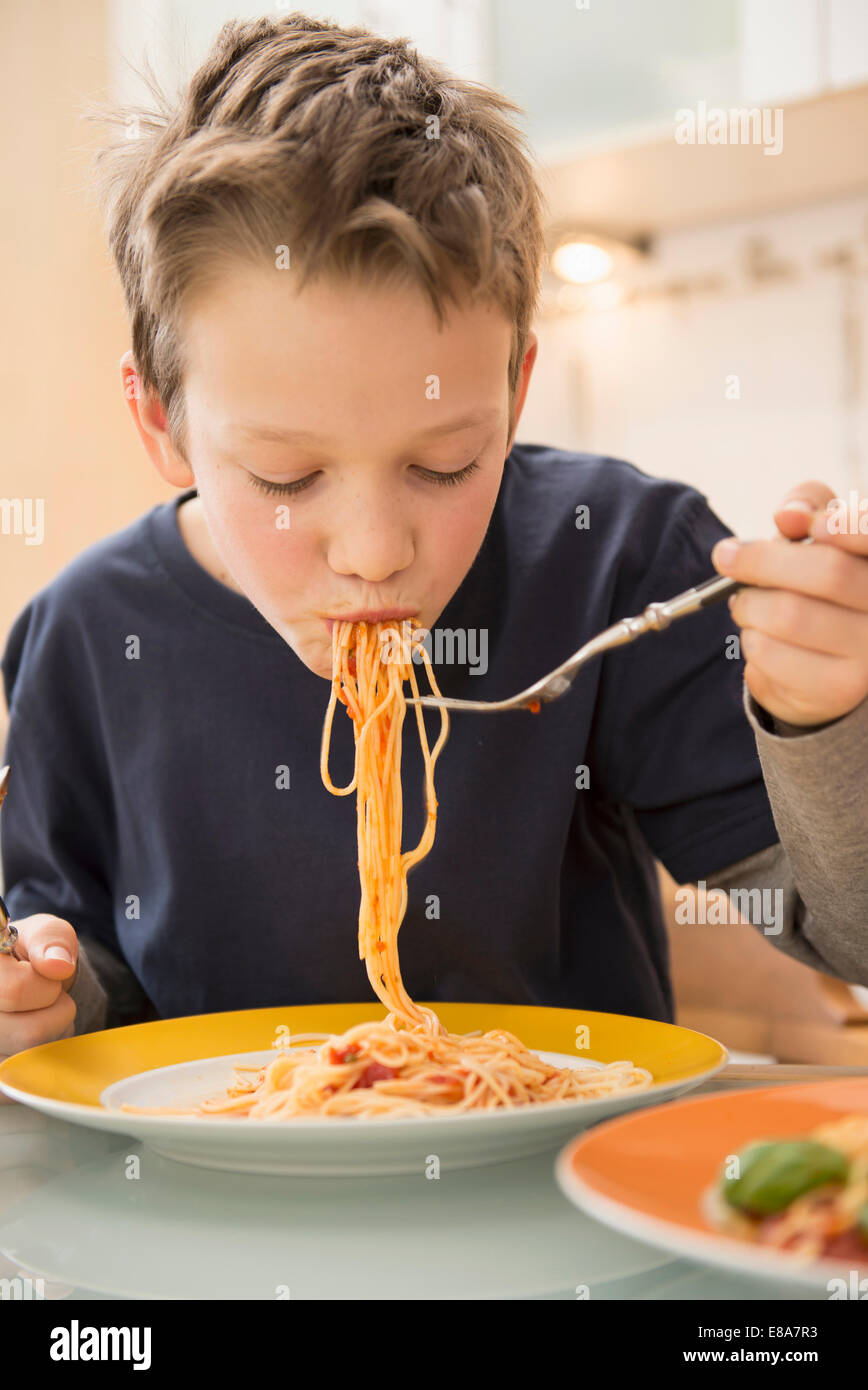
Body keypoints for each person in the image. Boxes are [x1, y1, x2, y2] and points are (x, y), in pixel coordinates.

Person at [0, 14, 866, 1076]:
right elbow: (87, 968)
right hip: (206, 1214)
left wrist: (826, 720)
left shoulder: (617, 561)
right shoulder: (86, 635)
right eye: (284, 477)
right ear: (161, 427)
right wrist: (46, 997)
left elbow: (846, 933)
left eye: (446, 465)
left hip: (565, 1208)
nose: (371, 554)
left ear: (514, 397)